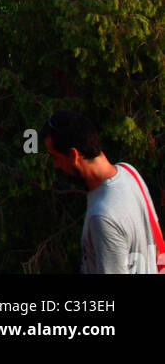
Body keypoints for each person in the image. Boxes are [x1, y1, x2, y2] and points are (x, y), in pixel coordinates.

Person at [42, 110, 162, 274]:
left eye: (55, 157)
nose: (56, 165)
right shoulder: (129, 172)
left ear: (73, 154)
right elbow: (157, 241)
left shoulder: (102, 218)